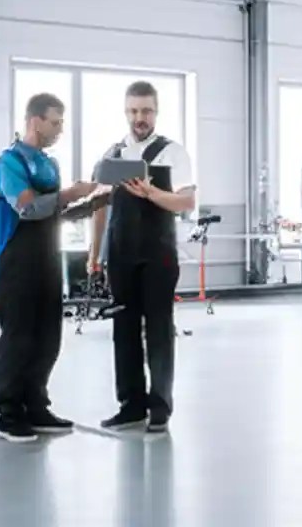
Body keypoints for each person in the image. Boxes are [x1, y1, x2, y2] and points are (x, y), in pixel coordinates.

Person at [0, 92, 101, 442]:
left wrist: (95, 200)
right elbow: (28, 208)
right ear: (35, 120)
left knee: (48, 336)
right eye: (55, 122)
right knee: (19, 336)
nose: (59, 129)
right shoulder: (9, 162)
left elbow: (55, 213)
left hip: (48, 258)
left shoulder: (49, 165)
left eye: (62, 123)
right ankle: (9, 412)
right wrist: (70, 193)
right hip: (17, 259)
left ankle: (36, 404)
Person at [90, 80, 196, 433]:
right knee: (124, 330)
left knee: (160, 329)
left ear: (156, 112)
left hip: (159, 255)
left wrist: (151, 193)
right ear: (125, 112)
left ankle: (160, 406)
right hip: (120, 254)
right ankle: (131, 406)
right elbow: (100, 209)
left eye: (146, 110)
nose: (140, 118)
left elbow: (186, 202)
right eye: (134, 111)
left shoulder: (172, 153)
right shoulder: (112, 155)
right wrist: (95, 255)